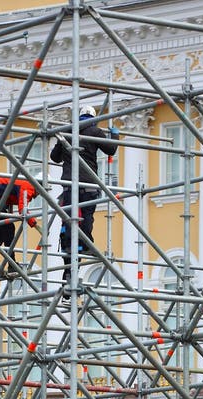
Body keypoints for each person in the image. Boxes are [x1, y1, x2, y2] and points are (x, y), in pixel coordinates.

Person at [50, 105, 119, 276]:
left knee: (70, 216)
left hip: (69, 183)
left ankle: (69, 245)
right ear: (93, 116)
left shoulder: (67, 131)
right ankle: (85, 244)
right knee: (87, 213)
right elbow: (111, 149)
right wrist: (114, 135)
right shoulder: (94, 130)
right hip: (88, 180)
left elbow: (54, 158)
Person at [0, 176, 37, 276]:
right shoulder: (28, 186)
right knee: (9, 229)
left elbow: (9, 199)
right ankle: (12, 265)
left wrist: (9, 215)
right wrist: (34, 223)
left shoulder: (25, 185)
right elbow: (23, 209)